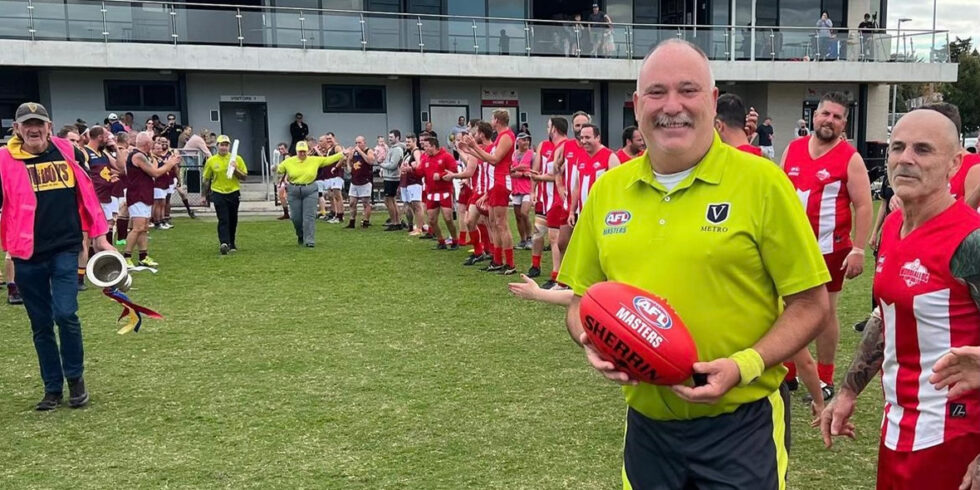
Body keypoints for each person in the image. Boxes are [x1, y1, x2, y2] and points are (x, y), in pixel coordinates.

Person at [558, 40, 830, 489]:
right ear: (638, 103)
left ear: (712, 100)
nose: (672, 107)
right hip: (647, 426)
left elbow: (811, 304)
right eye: (657, 93)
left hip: (741, 426)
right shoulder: (610, 189)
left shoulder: (761, 182)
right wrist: (589, 338)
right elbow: (580, 298)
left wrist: (744, 364)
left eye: (688, 90)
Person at [821, 109, 980, 490]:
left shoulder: (970, 241)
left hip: (954, 434)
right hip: (897, 427)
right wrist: (847, 390)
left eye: (923, 150)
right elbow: (885, 314)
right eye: (897, 147)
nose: (905, 159)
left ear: (954, 163)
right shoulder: (894, 225)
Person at [0, 102, 114, 410]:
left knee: (65, 314)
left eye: (39, 123)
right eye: (27, 124)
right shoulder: (5, 160)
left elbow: (87, 193)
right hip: (26, 254)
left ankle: (75, 378)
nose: (33, 129)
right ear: (17, 129)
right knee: (40, 323)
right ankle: (52, 388)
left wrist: (100, 236)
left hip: (64, 248)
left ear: (49, 127)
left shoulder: (67, 151)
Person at [780, 91, 873, 402]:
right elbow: (779, 195)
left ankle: (825, 377)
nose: (829, 120)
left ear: (844, 123)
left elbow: (863, 205)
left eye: (837, 116)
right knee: (787, 308)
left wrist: (858, 249)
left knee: (824, 313)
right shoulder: (793, 149)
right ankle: (790, 373)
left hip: (830, 249)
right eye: (825, 114)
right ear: (814, 116)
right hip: (792, 247)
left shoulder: (850, 157)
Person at [460, 109, 517, 275]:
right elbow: (487, 159)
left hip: (500, 181)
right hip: (495, 182)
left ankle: (510, 263)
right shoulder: (500, 136)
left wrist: (472, 147)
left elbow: (494, 159)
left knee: (501, 224)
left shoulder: (506, 136)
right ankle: (497, 260)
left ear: (497, 120)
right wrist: (471, 149)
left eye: (492, 118)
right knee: (493, 223)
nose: (491, 121)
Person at [123, 133, 180, 268]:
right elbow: (155, 172)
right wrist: (170, 163)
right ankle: (126, 256)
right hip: (138, 195)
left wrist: (166, 163)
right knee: (137, 228)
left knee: (144, 228)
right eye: (151, 144)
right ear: (147, 144)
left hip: (145, 194)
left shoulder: (144, 156)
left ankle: (143, 256)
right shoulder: (138, 156)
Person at [276, 141, 345, 247]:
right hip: (294, 190)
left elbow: (328, 160)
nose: (302, 154)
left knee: (309, 216)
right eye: (300, 151)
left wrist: (342, 154)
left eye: (304, 151)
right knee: (296, 217)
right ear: (296, 151)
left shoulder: (314, 160)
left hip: (310, 189)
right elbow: (279, 169)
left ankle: (309, 240)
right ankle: (300, 234)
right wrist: (275, 168)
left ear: (307, 151)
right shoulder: (289, 161)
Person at [528, 117, 570, 283]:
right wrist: (533, 190)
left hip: (558, 200)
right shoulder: (544, 146)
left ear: (554, 128)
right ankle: (536, 265)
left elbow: (556, 176)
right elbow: (537, 169)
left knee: (556, 239)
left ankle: (558, 275)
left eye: (548, 126)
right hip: (545, 198)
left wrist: (539, 177)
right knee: (538, 233)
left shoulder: (565, 146)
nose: (547, 129)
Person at [566, 124, 620, 225]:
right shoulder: (580, 157)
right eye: (581, 138)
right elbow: (577, 188)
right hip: (584, 215)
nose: (584, 141)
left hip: (603, 215)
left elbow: (617, 188)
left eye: (587, 137)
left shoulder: (610, 157)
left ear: (598, 138)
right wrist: (572, 212)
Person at [202, 135, 247, 255]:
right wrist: (203, 195)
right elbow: (206, 179)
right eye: (222, 145)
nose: (224, 147)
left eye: (226, 145)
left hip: (233, 192)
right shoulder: (211, 160)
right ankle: (224, 243)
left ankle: (232, 242)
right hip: (218, 192)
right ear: (217, 146)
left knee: (233, 219)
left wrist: (236, 169)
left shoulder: (236, 158)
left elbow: (244, 177)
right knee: (223, 219)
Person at [415, 136, 459, 250]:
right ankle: (441, 241)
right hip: (431, 192)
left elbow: (454, 171)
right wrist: (412, 168)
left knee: (448, 218)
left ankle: (455, 240)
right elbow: (420, 172)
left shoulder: (446, 156)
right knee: (431, 220)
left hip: (445, 191)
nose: (424, 149)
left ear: (433, 146)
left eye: (426, 146)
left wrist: (440, 175)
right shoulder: (426, 158)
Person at [344, 136, 376, 228]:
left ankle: (366, 221)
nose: (357, 145)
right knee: (352, 202)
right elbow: (349, 162)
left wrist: (361, 152)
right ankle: (352, 221)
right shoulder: (354, 152)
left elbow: (370, 161)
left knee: (365, 202)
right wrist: (349, 160)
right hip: (355, 180)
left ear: (364, 142)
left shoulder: (368, 151)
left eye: (359, 142)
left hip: (365, 180)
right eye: (356, 143)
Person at [510, 132, 534, 249]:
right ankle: (522, 239)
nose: (526, 142)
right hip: (516, 189)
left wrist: (523, 174)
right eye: (523, 140)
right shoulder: (513, 155)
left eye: (527, 140)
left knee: (524, 213)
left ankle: (530, 238)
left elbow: (535, 172)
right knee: (517, 215)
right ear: (518, 142)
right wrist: (514, 171)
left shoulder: (532, 155)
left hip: (528, 189)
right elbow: (509, 170)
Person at [379, 130, 406, 231]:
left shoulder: (397, 149)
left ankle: (395, 222)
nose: (389, 139)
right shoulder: (392, 148)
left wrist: (382, 165)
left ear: (397, 137)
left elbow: (393, 165)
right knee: (390, 200)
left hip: (392, 178)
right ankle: (397, 221)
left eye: (392, 137)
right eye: (389, 137)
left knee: (389, 200)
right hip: (389, 177)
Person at [399, 134, 425, 235]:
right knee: (410, 204)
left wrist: (410, 168)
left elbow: (419, 165)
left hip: (414, 181)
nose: (407, 144)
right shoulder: (408, 153)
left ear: (415, 141)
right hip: (407, 182)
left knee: (417, 205)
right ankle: (418, 225)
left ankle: (419, 228)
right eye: (406, 142)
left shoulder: (416, 152)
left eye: (409, 142)